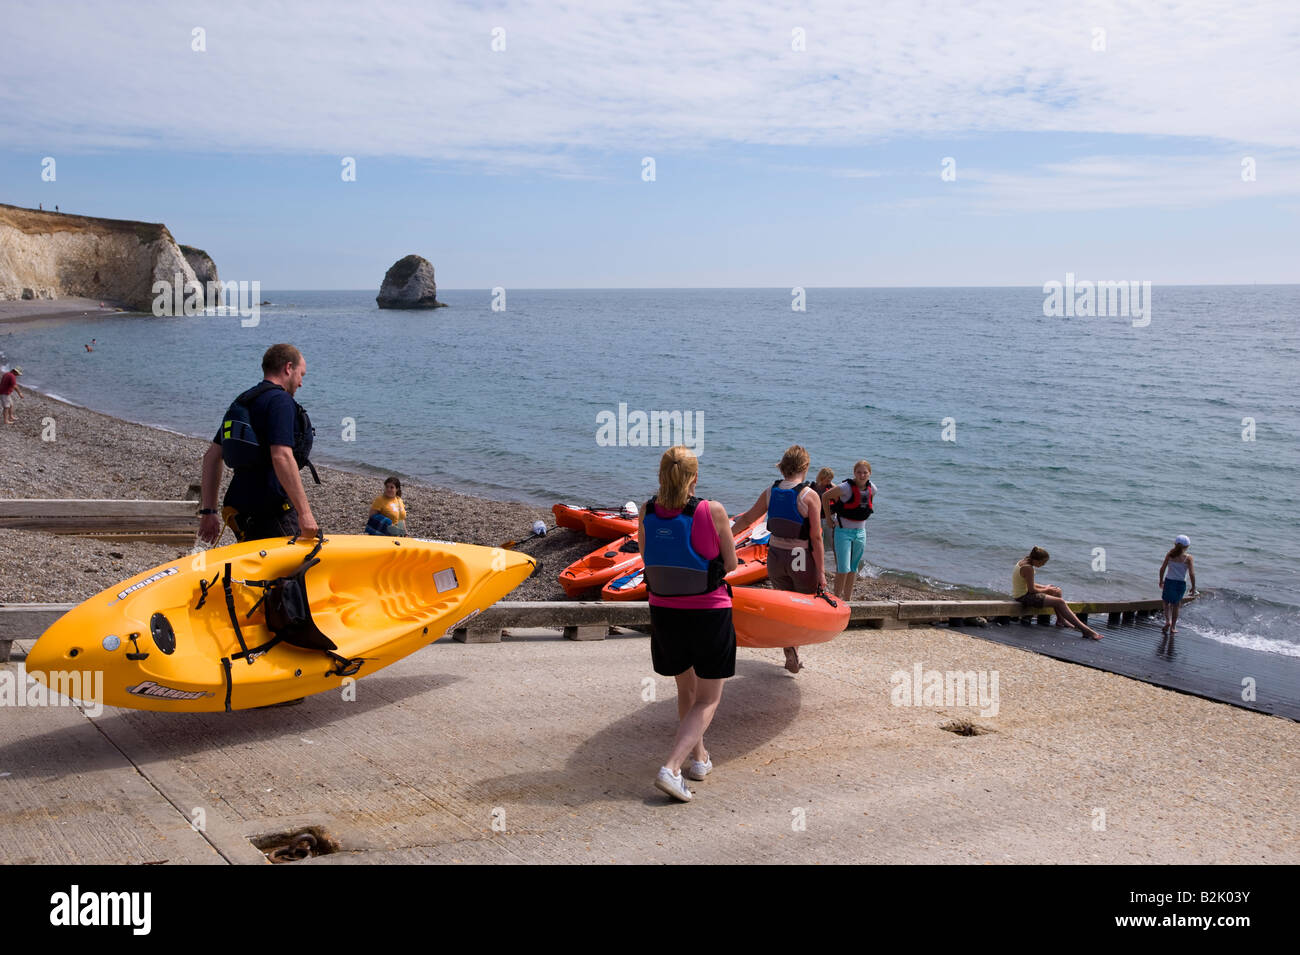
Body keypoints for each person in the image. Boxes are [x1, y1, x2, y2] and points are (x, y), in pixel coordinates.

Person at [641, 446, 738, 803]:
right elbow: (731, 564)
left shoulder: (647, 510)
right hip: (708, 612)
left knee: (688, 692)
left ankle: (700, 759)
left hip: (664, 612)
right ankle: (671, 768)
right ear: (695, 477)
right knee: (709, 698)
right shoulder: (712, 510)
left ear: (661, 474)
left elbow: (646, 555)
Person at [198, 344, 319, 544]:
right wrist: (305, 513)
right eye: (301, 375)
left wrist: (209, 511)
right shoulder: (281, 401)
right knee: (300, 561)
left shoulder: (244, 401)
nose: (301, 383)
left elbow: (211, 456)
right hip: (272, 511)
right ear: (288, 368)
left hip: (239, 508)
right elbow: (281, 456)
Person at [730, 445, 830, 673]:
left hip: (774, 557)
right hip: (800, 558)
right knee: (802, 607)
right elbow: (816, 537)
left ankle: (790, 650)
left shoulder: (770, 491)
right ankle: (794, 650)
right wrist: (821, 572)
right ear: (805, 467)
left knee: (786, 606)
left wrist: (723, 538)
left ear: (783, 467)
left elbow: (746, 520)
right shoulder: (809, 495)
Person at [1012, 546, 1101, 640]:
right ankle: (1085, 630)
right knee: (1060, 602)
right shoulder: (1028, 568)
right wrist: (1047, 590)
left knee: (1057, 591)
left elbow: (1026, 583)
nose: (1043, 565)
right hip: (1023, 597)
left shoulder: (1024, 561)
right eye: (1043, 562)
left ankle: (1060, 620)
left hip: (1023, 593)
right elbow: (1032, 590)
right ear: (1036, 560)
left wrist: (1045, 587)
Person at [822, 459, 875, 600]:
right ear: (854, 473)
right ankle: (836, 599)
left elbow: (867, 506)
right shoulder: (845, 487)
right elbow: (825, 496)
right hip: (843, 532)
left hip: (860, 533)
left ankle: (848, 600)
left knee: (853, 568)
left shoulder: (873, 489)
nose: (862, 475)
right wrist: (828, 519)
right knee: (843, 568)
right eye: (859, 472)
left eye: (865, 472)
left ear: (869, 473)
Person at [1158, 535, 1197, 635]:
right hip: (1180, 584)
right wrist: (1193, 587)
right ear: (1187, 546)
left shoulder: (1170, 554)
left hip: (1169, 581)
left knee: (1166, 602)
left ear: (1175, 544)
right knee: (1176, 605)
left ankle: (1168, 621)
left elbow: (1162, 569)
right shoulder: (1188, 558)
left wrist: (1161, 580)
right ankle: (1173, 627)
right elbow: (1192, 574)